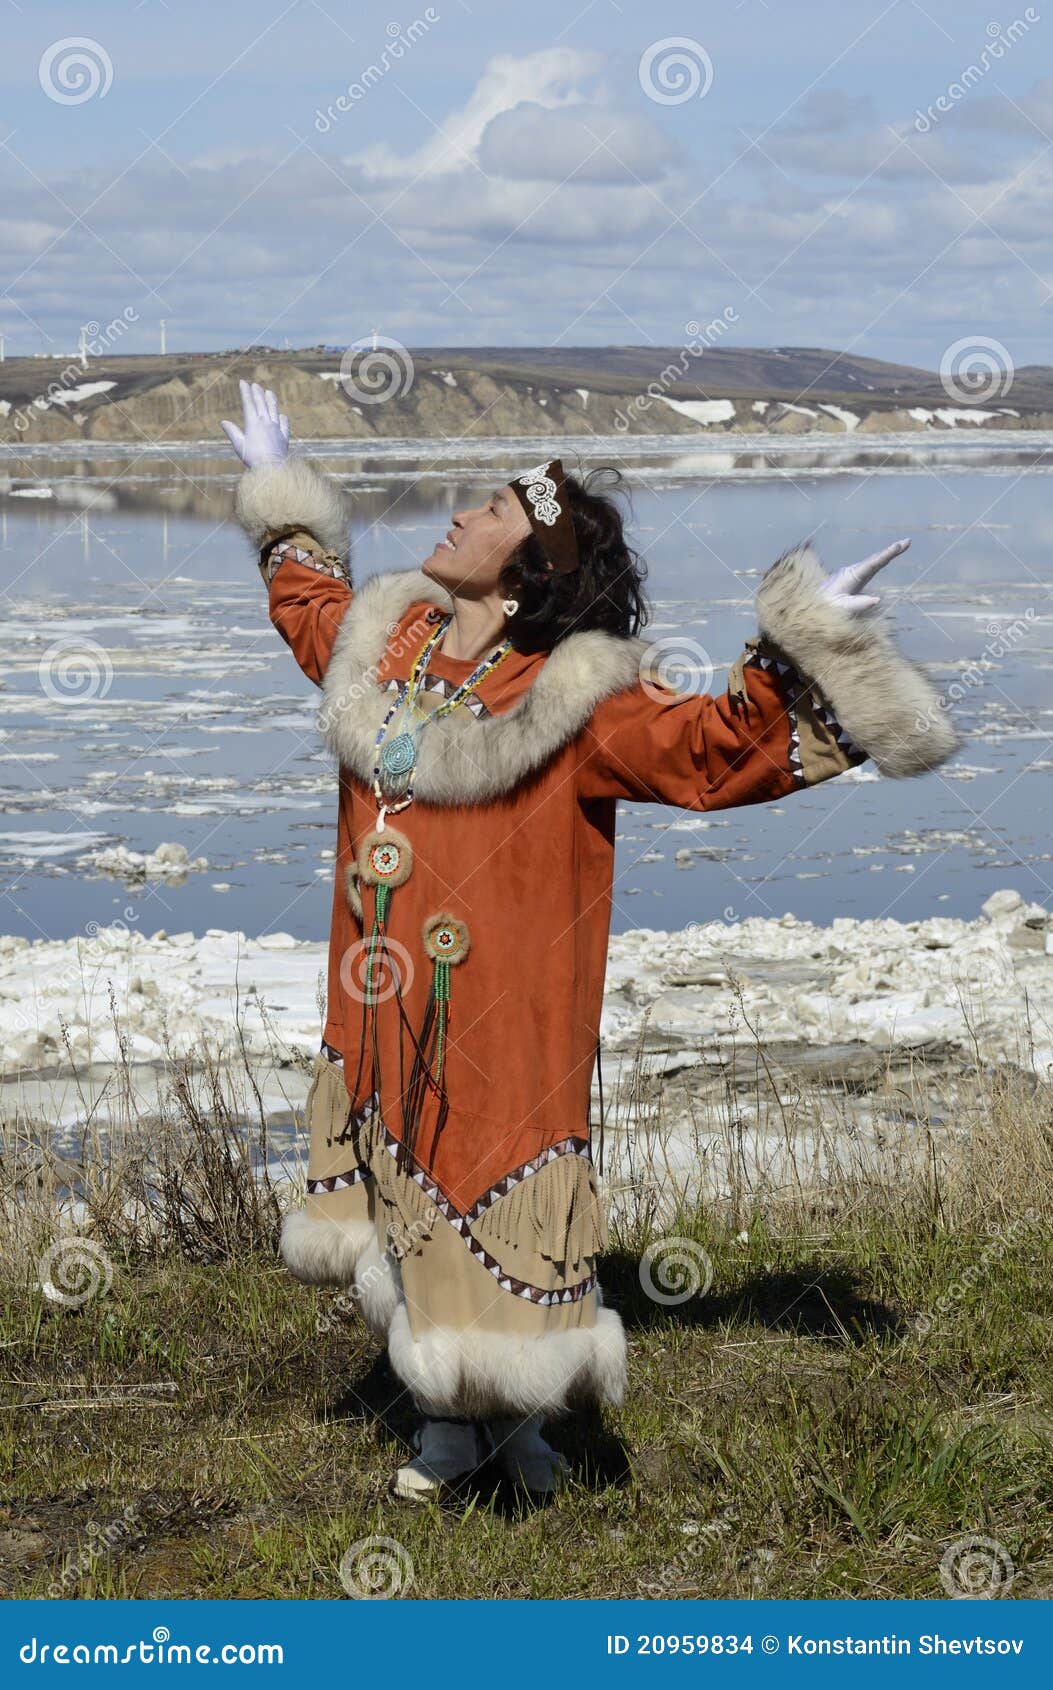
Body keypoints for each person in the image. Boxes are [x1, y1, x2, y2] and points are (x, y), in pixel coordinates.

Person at [222, 378, 957, 1502]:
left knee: (493, 1180)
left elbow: (716, 747)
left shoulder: (578, 700)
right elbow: (315, 611)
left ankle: (489, 1426)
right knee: (407, 1184)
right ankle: (466, 1425)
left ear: (526, 579)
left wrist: (816, 644)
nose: (464, 514)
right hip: (384, 993)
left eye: (496, 514)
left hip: (507, 1009)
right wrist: (282, 505)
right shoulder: (397, 638)